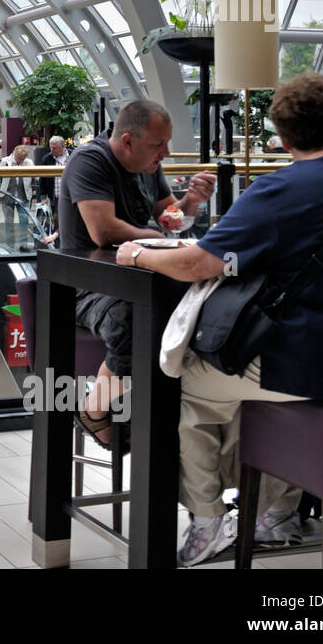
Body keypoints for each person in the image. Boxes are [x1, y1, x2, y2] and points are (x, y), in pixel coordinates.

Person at [114, 75, 323, 565]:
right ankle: (274, 514)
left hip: (307, 365)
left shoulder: (282, 187)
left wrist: (136, 257)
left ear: (281, 133)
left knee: (188, 382)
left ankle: (209, 520)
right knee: (248, 382)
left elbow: (198, 263)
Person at [59, 99, 216, 447]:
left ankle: (172, 414)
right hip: (88, 287)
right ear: (128, 141)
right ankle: (94, 409)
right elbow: (103, 230)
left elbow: (170, 218)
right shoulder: (90, 160)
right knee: (135, 318)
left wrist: (191, 200)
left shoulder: (148, 165)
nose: (166, 152)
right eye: (158, 145)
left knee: (202, 306)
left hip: (139, 279)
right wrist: (157, 239)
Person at [0, 145, 35, 232]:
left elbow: (35, 177)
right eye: (19, 158)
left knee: (24, 220)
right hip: (7, 195)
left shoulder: (29, 162)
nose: (21, 161)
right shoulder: (5, 161)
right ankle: (9, 244)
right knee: (8, 221)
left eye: (23, 159)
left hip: (24, 196)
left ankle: (23, 244)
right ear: (14, 154)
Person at [38, 135, 69, 205]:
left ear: (62, 147)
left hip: (71, 197)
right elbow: (42, 179)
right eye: (51, 147)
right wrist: (43, 196)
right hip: (54, 198)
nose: (52, 150)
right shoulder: (46, 159)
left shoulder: (73, 156)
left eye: (54, 148)